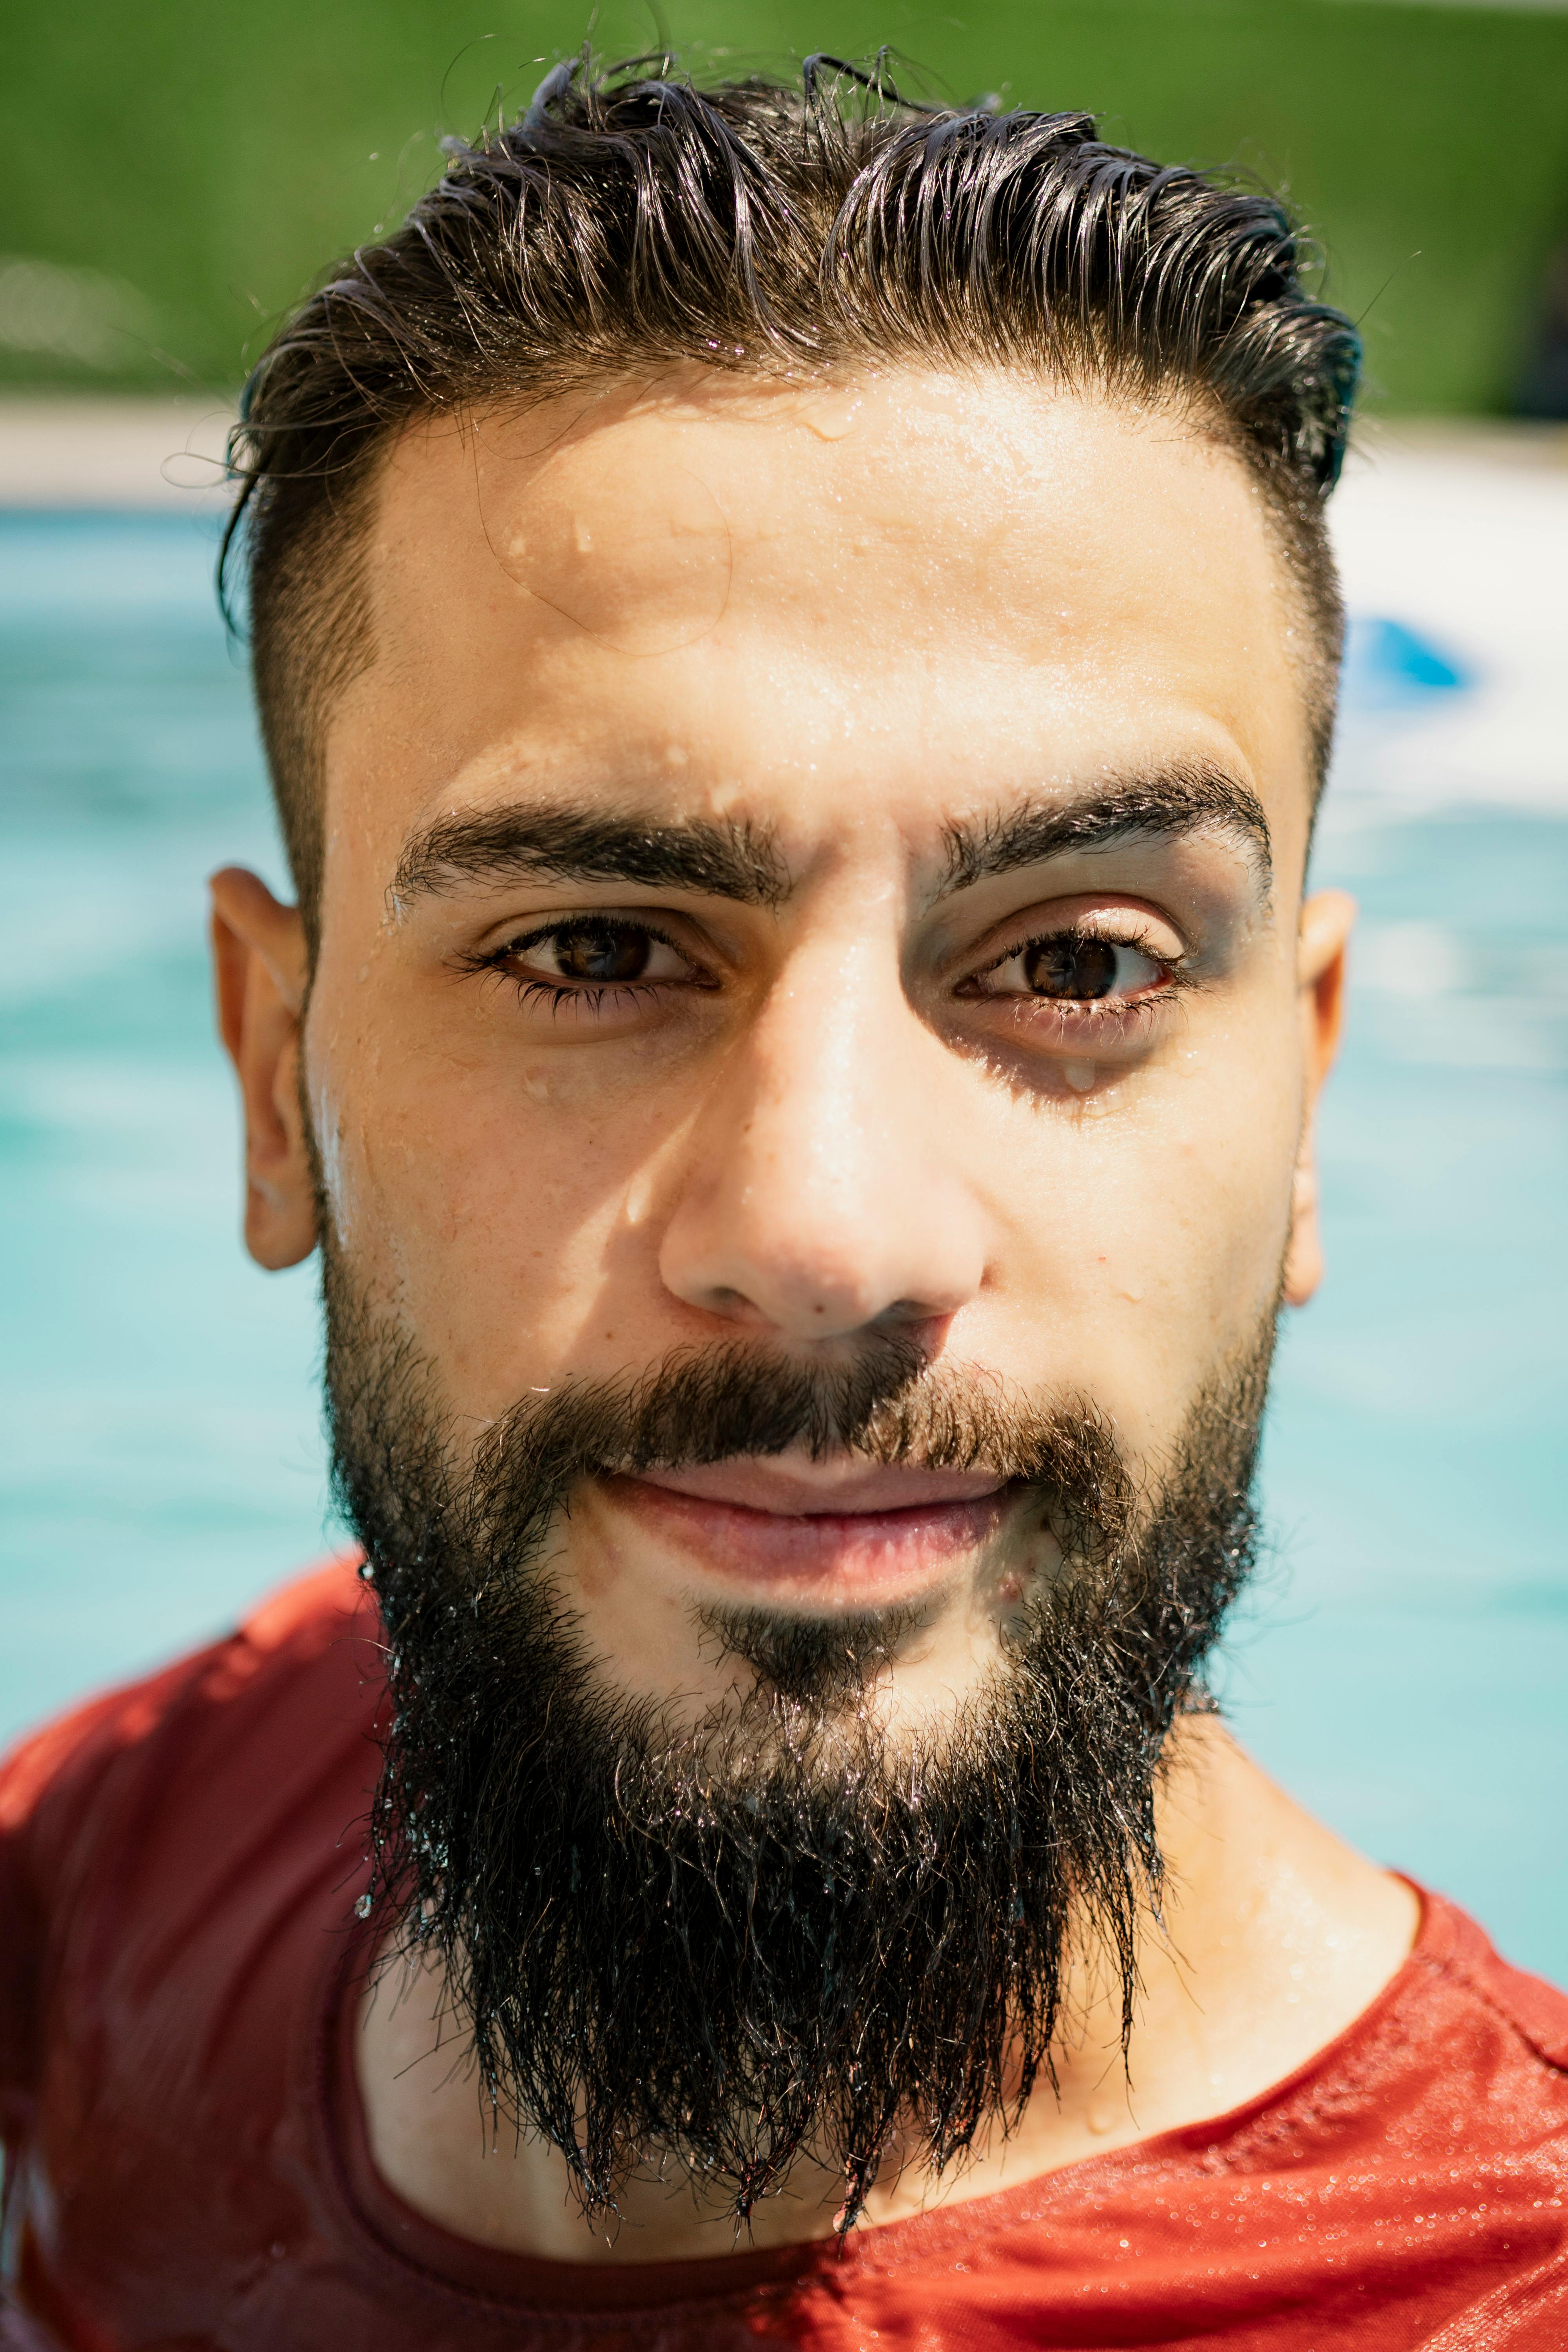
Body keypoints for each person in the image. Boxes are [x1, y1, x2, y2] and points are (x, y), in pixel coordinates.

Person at [2, 56, 1565, 2352]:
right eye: (598, 951)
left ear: (1305, 1099)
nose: (827, 1234)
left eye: (1076, 965)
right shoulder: (185, 1817)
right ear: (269, 1074)